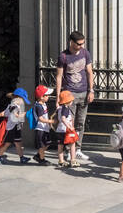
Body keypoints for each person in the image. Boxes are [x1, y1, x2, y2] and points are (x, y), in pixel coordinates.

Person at [54, 31, 94, 163]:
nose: (81, 46)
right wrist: (58, 97)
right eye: (79, 44)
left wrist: (91, 90)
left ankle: (77, 149)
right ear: (71, 42)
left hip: (83, 92)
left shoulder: (85, 53)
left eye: (83, 43)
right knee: (68, 123)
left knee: (80, 123)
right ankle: (67, 149)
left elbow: (89, 72)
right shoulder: (63, 56)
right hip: (69, 94)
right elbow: (59, 77)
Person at [0, 86, 32, 165]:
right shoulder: (12, 106)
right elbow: (16, 116)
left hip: (16, 128)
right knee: (7, 143)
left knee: (18, 143)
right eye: (22, 99)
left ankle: (22, 158)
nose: (23, 101)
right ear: (18, 98)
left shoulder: (17, 106)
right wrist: (26, 113)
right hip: (11, 128)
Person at [55, 89, 77, 168]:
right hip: (66, 131)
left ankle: (61, 161)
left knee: (60, 146)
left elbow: (58, 118)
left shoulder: (59, 108)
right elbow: (64, 118)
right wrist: (69, 126)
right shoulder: (66, 109)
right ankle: (73, 160)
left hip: (59, 130)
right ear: (68, 101)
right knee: (72, 144)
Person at [32, 84, 53, 164]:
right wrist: (50, 122)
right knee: (41, 145)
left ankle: (38, 155)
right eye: (47, 95)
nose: (48, 97)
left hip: (45, 128)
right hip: (40, 129)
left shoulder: (43, 105)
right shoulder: (38, 106)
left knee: (48, 143)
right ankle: (41, 159)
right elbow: (40, 119)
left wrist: (48, 124)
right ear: (41, 97)